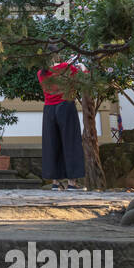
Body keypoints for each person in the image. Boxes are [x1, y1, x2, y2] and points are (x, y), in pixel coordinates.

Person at [38, 58, 85, 189]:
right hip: (65, 105)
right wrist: (80, 65)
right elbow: (84, 77)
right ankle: (72, 183)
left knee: (52, 144)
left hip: (49, 109)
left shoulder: (41, 73)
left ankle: (55, 183)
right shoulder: (67, 67)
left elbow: (54, 71)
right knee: (71, 142)